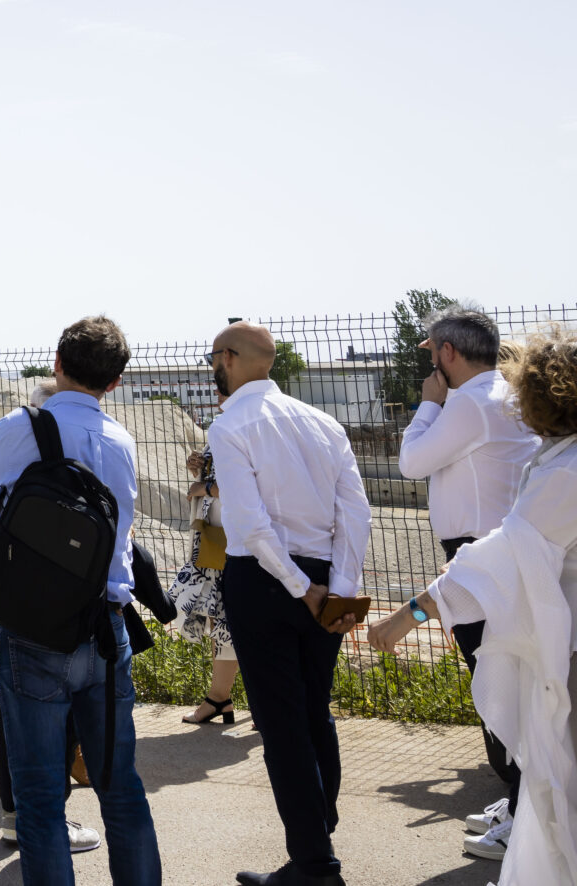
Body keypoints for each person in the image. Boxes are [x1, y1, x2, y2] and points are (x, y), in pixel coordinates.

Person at [0, 317, 160, 886]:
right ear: (115, 382)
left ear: (56, 362)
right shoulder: (121, 440)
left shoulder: (25, 426)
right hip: (107, 625)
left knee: (41, 800)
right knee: (121, 786)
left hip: (35, 628)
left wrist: (8, 516)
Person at [367, 325, 577, 883]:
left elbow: (497, 558)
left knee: (562, 786)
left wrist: (405, 616)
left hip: (566, 644)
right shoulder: (562, 460)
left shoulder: (563, 475)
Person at [206, 322, 370, 886]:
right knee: (313, 711)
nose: (213, 367)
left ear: (228, 359)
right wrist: (337, 586)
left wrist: (301, 587)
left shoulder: (230, 425)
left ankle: (314, 863)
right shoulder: (324, 424)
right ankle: (318, 826)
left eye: (213, 358)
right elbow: (356, 511)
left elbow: (249, 527)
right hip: (324, 577)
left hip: (267, 579)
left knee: (281, 724)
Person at [395, 304, 537, 852]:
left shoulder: (468, 403)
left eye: (431, 352)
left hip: (478, 559)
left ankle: (525, 818)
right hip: (501, 555)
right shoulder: (504, 395)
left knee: (499, 684)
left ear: (448, 353)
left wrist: (428, 406)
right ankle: (525, 801)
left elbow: (411, 462)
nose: (430, 364)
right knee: (511, 680)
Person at [0, 378, 101, 855]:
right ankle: (46, 821)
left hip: (19, 597)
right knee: (65, 715)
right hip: (80, 604)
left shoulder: (15, 444)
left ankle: (18, 817)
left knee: (13, 711)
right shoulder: (104, 437)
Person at [168, 447, 243, 726]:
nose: (217, 400)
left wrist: (205, 486)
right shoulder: (225, 428)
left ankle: (222, 698)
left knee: (233, 624)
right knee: (220, 623)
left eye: (222, 398)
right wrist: (199, 469)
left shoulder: (248, 428)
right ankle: (221, 698)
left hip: (239, 544)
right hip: (214, 544)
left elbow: (247, 488)